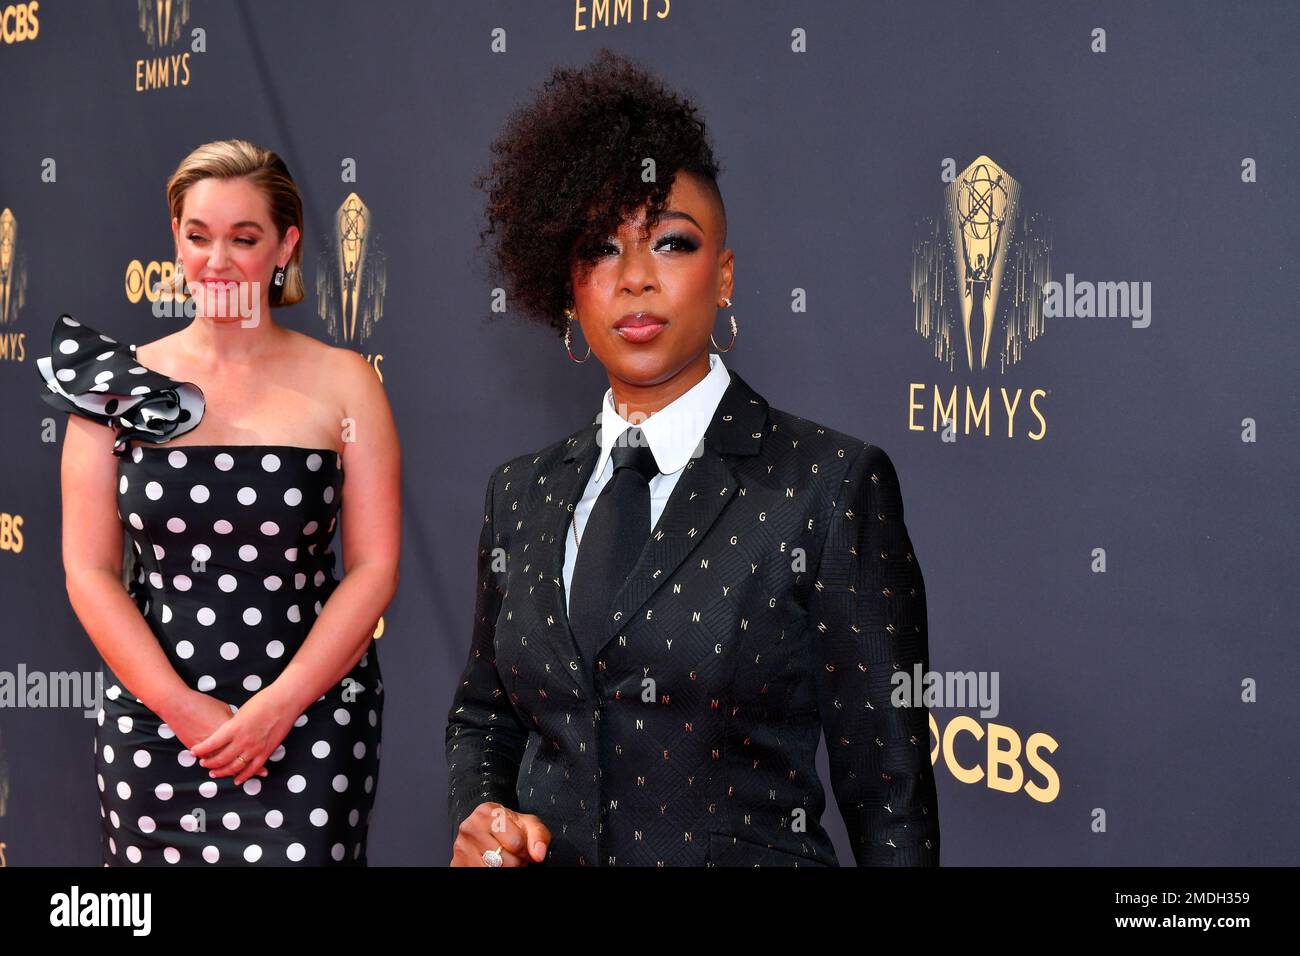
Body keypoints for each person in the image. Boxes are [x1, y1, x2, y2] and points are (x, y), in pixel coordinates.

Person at [445, 50, 939, 867]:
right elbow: (484, 715)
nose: (636, 279)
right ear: (566, 288)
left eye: (671, 244)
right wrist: (485, 814)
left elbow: (889, 794)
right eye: (602, 249)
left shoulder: (827, 486)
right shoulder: (521, 494)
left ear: (725, 275)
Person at [37, 139, 401, 865]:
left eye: (245, 238)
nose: (218, 261)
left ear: (286, 245)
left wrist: (280, 705)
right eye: (198, 236)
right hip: (154, 730)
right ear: (176, 237)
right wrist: (180, 707)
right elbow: (89, 572)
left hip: (314, 724)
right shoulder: (115, 381)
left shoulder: (345, 382)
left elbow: (372, 568)